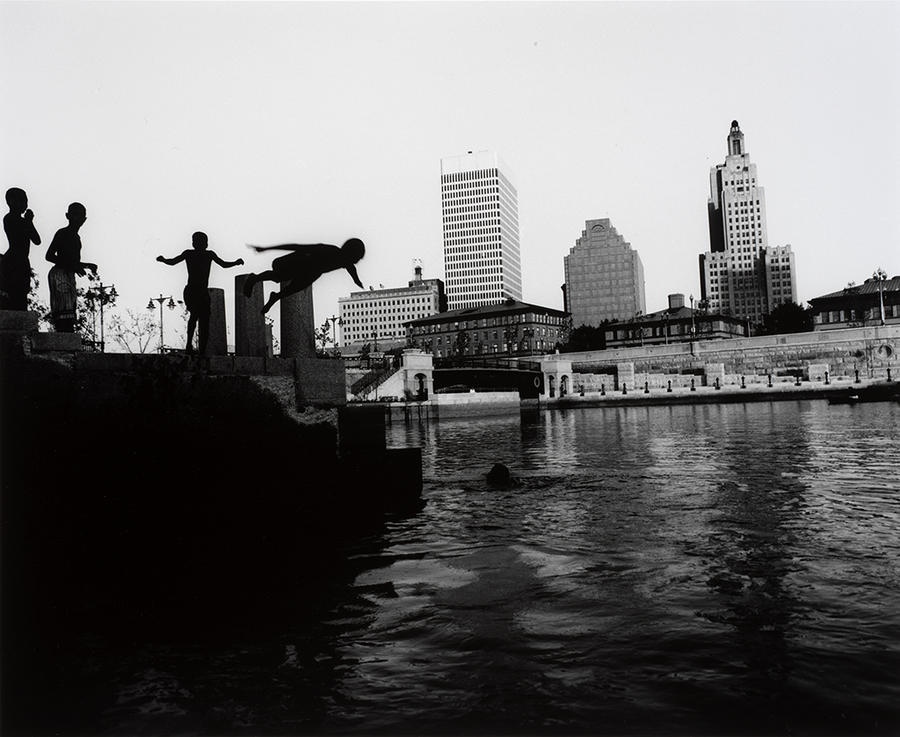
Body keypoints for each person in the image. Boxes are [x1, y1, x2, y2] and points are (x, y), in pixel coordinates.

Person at [156, 231, 244, 354]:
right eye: (203, 242)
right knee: (196, 316)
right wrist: (164, 260)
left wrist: (235, 262)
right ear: (197, 243)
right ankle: (190, 346)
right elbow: (223, 264)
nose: (205, 244)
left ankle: (200, 349)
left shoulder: (203, 254)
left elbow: (173, 261)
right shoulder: (200, 254)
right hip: (193, 291)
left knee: (203, 319)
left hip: (199, 292)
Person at [243, 238, 365, 314]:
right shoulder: (329, 250)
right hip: (299, 262)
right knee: (277, 276)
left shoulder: (346, 262)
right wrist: (266, 249)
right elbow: (297, 246)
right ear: (350, 253)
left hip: (311, 273)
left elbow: (352, 270)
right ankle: (254, 278)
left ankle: (275, 297)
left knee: (293, 288)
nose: (357, 261)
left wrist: (357, 281)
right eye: (357, 258)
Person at [45, 202, 96, 332]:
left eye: (80, 216)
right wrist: (74, 266)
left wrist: (86, 266)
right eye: (75, 215)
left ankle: (67, 337)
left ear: (84, 219)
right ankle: (64, 337)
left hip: (68, 274)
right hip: (59, 274)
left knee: (69, 310)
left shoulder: (76, 237)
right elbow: (49, 256)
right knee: (63, 311)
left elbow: (73, 262)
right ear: (68, 216)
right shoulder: (62, 233)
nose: (77, 219)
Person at [1, 187, 41, 310]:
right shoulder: (9, 218)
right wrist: (28, 222)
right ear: (11, 202)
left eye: (25, 201)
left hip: (22, 261)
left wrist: (30, 222)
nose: (25, 205)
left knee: (22, 295)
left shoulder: (25, 222)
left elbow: (37, 240)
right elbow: (19, 235)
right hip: (13, 261)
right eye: (22, 201)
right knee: (12, 295)